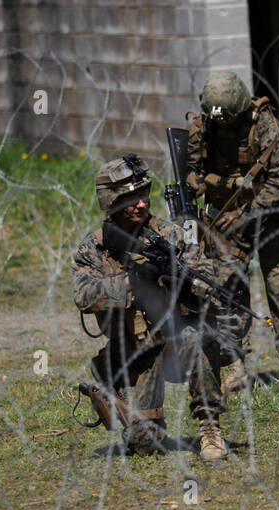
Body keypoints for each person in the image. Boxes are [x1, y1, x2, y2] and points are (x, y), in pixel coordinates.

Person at [71, 154, 232, 461]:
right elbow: (84, 294)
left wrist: (188, 283)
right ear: (112, 202)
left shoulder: (169, 235)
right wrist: (133, 283)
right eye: (131, 199)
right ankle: (113, 383)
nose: (142, 204)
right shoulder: (95, 247)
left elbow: (207, 274)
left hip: (176, 340)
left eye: (144, 195)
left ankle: (210, 430)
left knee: (200, 339)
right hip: (135, 350)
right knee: (144, 445)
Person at [186, 71, 279, 392]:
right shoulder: (205, 126)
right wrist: (194, 180)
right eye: (218, 120)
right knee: (228, 292)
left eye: (228, 119)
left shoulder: (265, 127)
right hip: (226, 220)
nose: (222, 125)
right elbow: (195, 164)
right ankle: (235, 364)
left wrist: (244, 216)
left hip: (268, 221)